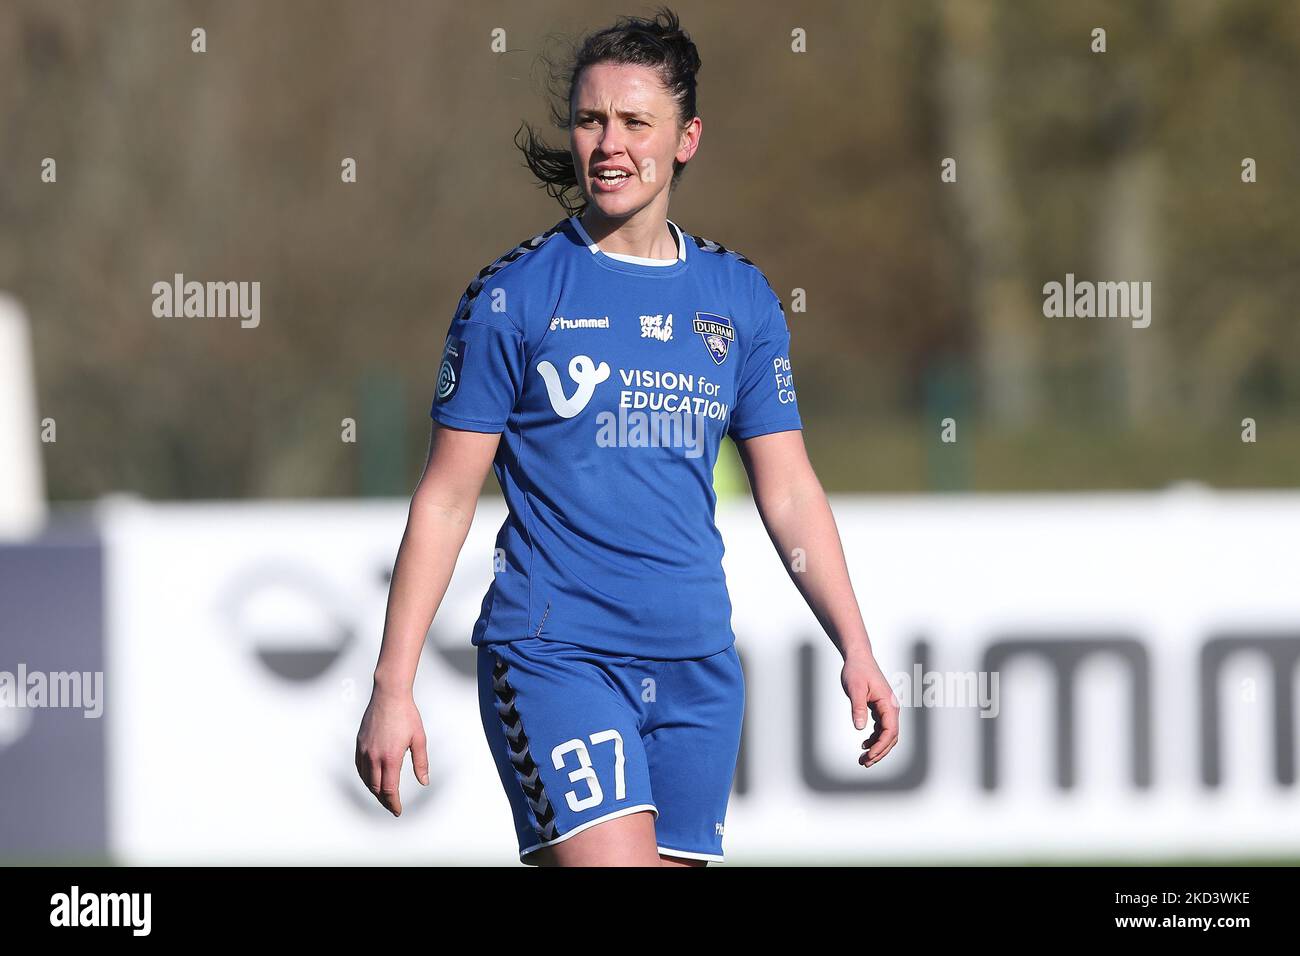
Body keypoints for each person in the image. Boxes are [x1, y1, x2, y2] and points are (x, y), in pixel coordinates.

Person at [355, 7, 898, 867]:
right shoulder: (512, 297)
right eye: (590, 119)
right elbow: (448, 495)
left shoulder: (740, 298)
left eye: (635, 122)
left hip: (697, 668)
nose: (609, 143)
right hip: (554, 654)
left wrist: (856, 645)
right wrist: (393, 685)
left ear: (686, 138)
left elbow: (789, 490)